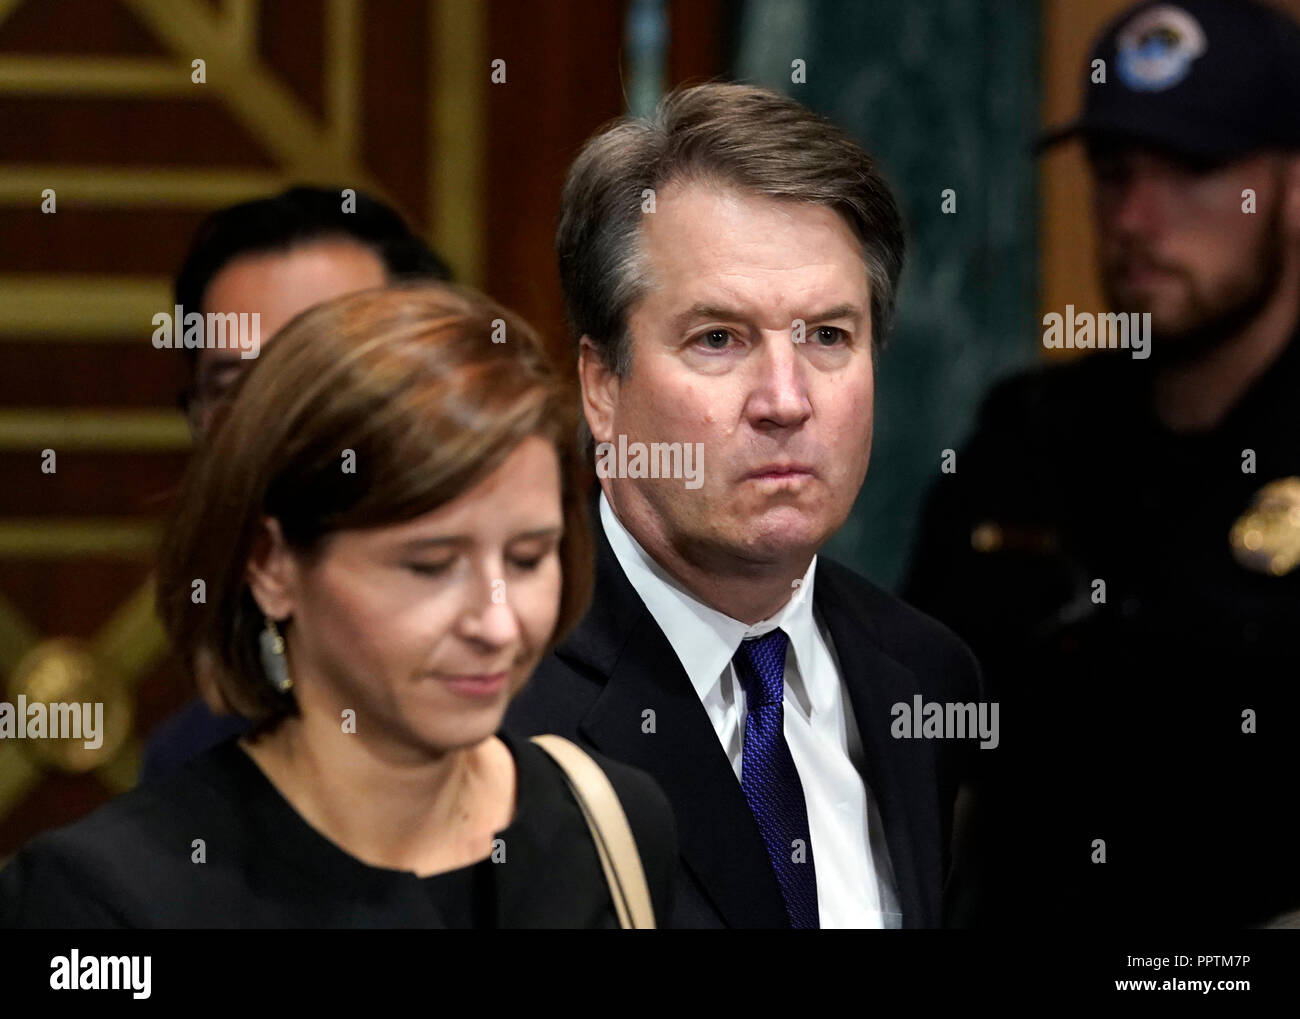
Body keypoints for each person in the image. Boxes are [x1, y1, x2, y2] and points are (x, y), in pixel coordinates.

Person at [0, 285, 676, 928]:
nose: (498, 622)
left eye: (528, 558)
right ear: (272, 564)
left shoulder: (610, 823)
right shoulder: (104, 896)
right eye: (430, 566)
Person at [506, 82, 984, 929]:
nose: (785, 399)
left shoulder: (926, 674)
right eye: (719, 339)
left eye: (828, 336)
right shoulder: (493, 690)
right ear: (600, 385)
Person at [903, 0, 1300, 926]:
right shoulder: (1030, 433)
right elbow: (911, 731)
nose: (1135, 217)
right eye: (1114, 173)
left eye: (1194, 170)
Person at [145, 186, 453, 780]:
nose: (277, 417)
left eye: (324, 371)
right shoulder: (191, 760)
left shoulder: (563, 700)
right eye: (236, 385)